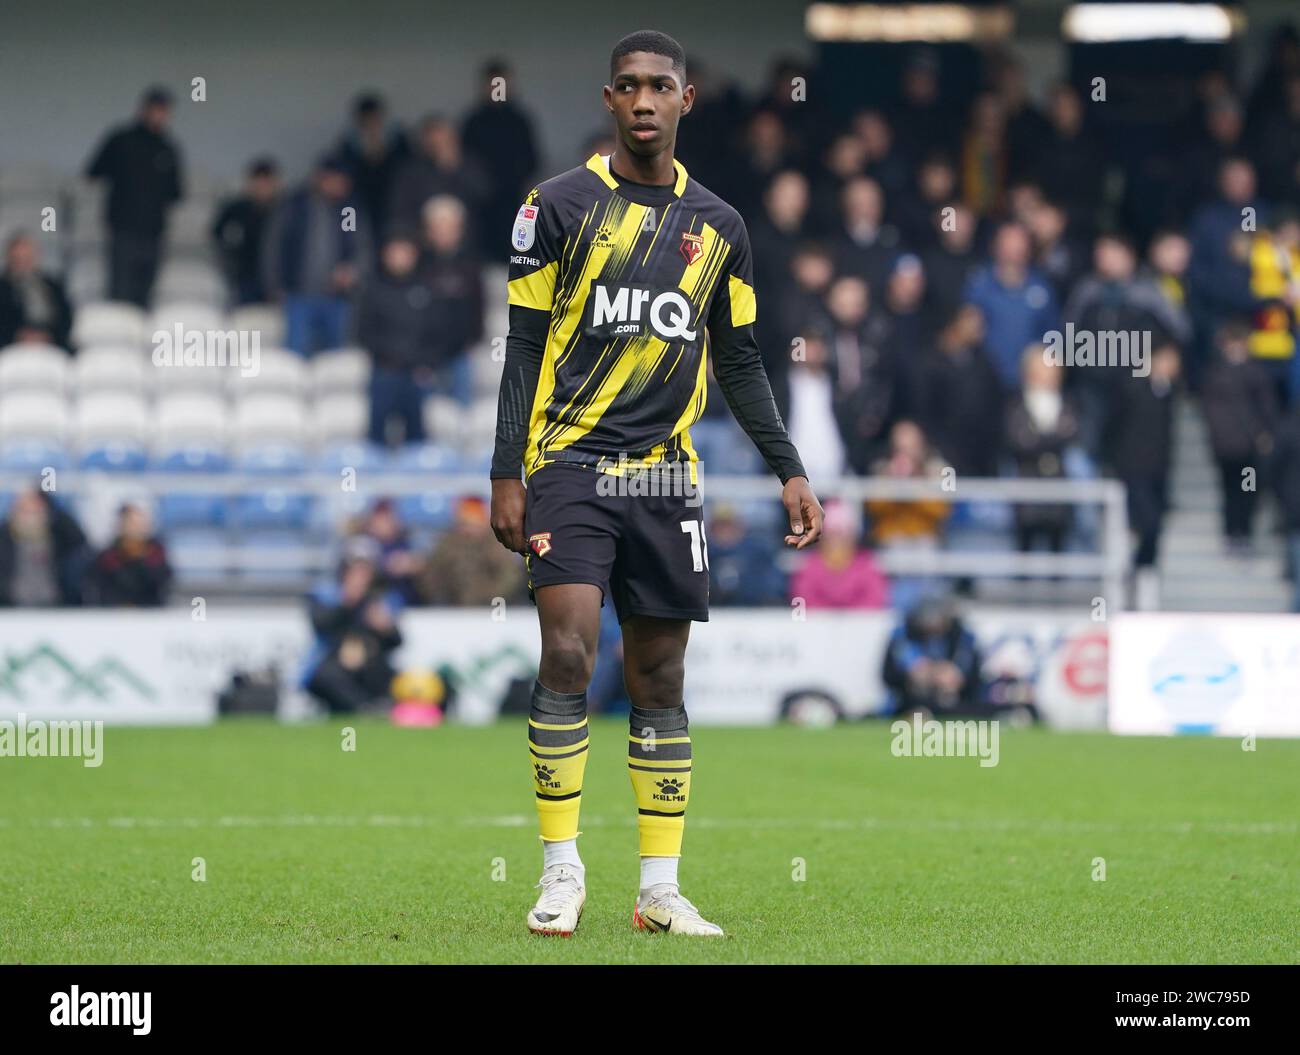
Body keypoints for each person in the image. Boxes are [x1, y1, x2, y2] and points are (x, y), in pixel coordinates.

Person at [489, 30, 822, 939]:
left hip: (669, 477)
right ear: (610, 100)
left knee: (661, 673)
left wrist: (788, 467)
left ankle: (660, 890)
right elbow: (522, 346)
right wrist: (505, 470)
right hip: (568, 466)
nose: (644, 100)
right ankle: (562, 871)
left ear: (685, 101)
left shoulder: (720, 227)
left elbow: (743, 361)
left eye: (660, 87)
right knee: (567, 651)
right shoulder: (554, 206)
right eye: (629, 86)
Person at [84, 86, 183, 307]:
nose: (160, 115)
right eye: (156, 109)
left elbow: (176, 193)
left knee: (145, 295)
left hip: (154, 231)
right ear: (144, 110)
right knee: (120, 291)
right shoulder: (120, 140)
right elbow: (93, 172)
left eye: (164, 111)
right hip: (123, 229)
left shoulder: (168, 148)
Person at [262, 155, 369, 355]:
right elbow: (274, 248)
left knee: (334, 356)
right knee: (296, 352)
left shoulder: (347, 210)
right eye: (336, 181)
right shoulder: (295, 206)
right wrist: (274, 285)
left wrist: (351, 270)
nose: (341, 186)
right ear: (321, 178)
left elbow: (357, 246)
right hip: (298, 293)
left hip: (335, 297)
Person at [1201, 321, 1279, 554]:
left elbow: (1267, 409)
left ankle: (1243, 533)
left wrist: (1262, 435)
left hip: (1249, 449)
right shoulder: (1216, 374)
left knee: (1248, 492)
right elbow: (1211, 412)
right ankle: (1233, 533)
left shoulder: (1255, 374)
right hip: (1228, 448)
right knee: (1232, 491)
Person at [303, 538, 403, 715]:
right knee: (327, 676)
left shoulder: (379, 599)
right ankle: (363, 709)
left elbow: (397, 641)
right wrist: (347, 602)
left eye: (365, 569)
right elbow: (320, 624)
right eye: (355, 569)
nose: (360, 575)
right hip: (333, 663)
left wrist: (385, 627)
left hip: (369, 666)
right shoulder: (327, 593)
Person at [356, 235, 438, 445]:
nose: (400, 258)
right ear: (386, 256)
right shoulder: (373, 290)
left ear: (414, 256)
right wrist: (389, 354)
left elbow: (435, 331)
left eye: (405, 253)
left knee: (417, 439)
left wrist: (424, 361)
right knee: (375, 440)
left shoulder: (425, 290)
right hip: (384, 370)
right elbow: (362, 332)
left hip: (416, 373)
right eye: (395, 253)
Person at [881, 597, 988, 717]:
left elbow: (972, 675)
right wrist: (915, 675)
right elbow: (889, 674)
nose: (932, 630)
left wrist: (955, 675)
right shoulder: (902, 636)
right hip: (910, 698)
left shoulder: (963, 638)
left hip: (958, 700)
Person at [417, 496, 525, 606]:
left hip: (493, 606)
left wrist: (486, 596)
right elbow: (432, 576)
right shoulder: (447, 544)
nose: (469, 529)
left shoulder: (497, 543)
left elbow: (509, 578)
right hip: (453, 608)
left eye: (474, 523)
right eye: (465, 523)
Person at [789, 499, 890, 610]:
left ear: (853, 537)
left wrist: (849, 621)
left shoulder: (866, 565)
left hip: (860, 625)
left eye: (842, 534)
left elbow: (875, 600)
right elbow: (803, 599)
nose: (836, 541)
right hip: (817, 625)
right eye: (831, 534)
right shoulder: (810, 566)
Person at [0, 487, 90, 607]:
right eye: (24, 511)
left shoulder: (58, 538)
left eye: (35, 511)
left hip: (54, 608)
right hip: (11, 609)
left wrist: (48, 501)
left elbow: (80, 540)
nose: (29, 518)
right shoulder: (4, 539)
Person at [211, 158, 280, 305]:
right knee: (245, 319)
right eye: (258, 183)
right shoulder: (237, 208)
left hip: (275, 277)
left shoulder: (284, 211)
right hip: (245, 274)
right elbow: (217, 232)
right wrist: (231, 254)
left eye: (266, 183)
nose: (262, 188)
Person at [84, 503, 172, 607]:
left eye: (139, 524)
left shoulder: (156, 554)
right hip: (113, 615)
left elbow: (161, 587)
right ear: (121, 526)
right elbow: (100, 590)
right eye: (131, 523)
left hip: (152, 615)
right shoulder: (107, 557)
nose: (136, 529)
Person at [0, 233, 72, 349]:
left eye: (27, 259)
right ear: (9, 259)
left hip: (53, 343)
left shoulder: (52, 285)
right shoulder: (3, 288)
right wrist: (19, 336)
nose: (23, 264)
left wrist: (48, 335)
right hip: (11, 346)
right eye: (18, 259)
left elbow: (66, 317)